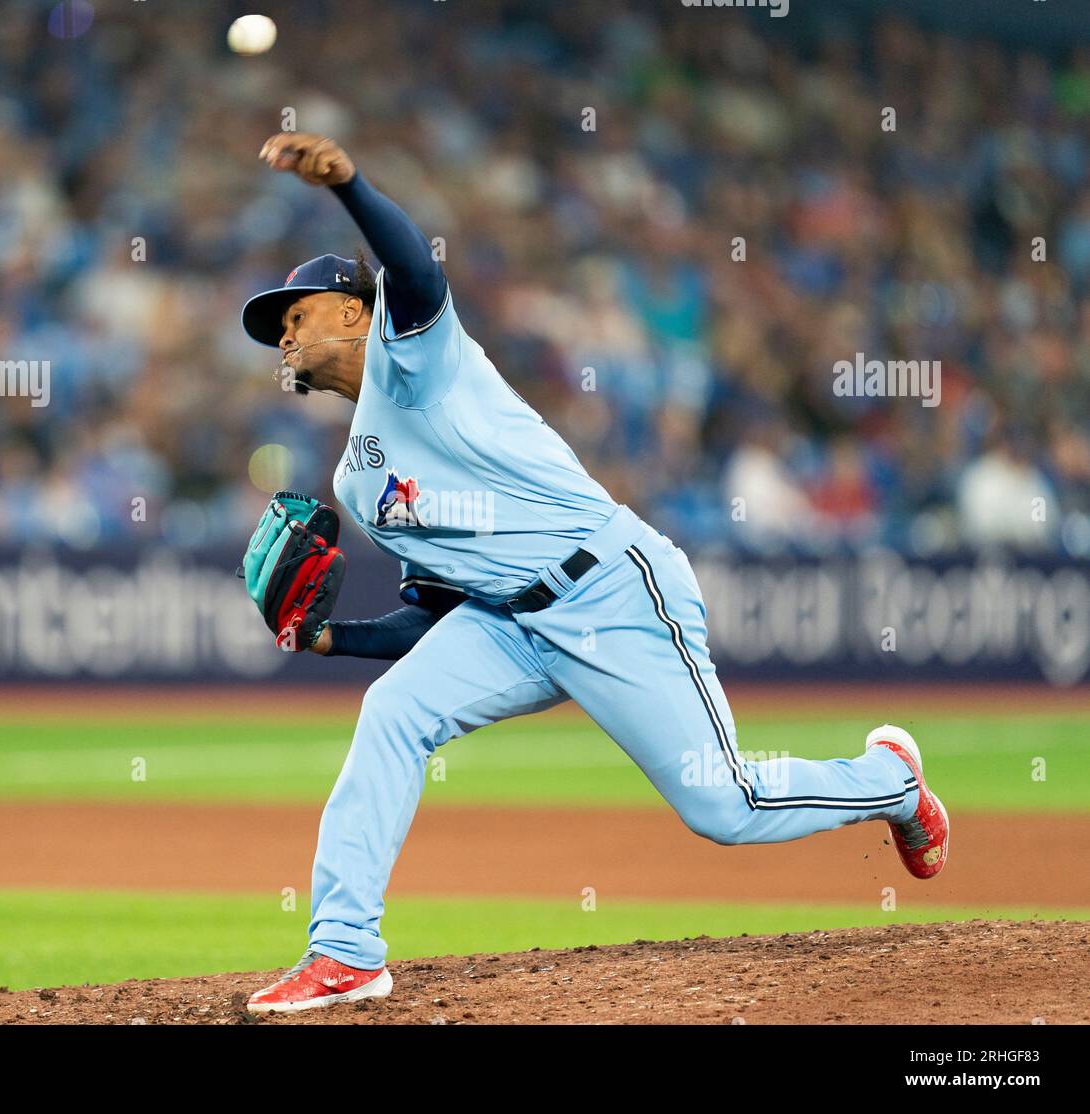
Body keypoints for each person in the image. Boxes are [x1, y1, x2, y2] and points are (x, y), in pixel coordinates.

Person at [238, 134, 949, 1014]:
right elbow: (430, 612)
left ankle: (890, 781)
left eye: (295, 313)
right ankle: (345, 951)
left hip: (613, 590)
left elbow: (413, 269)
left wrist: (347, 184)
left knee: (722, 808)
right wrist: (328, 637)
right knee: (394, 711)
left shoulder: (411, 356)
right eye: (277, 327)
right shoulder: (356, 482)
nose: (284, 332)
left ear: (352, 311)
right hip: (510, 624)